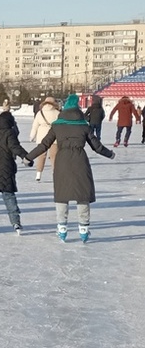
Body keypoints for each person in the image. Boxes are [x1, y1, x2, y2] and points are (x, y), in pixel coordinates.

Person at [26, 94, 115, 242]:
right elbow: (97, 146)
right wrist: (110, 154)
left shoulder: (57, 125)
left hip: (62, 162)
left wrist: (29, 157)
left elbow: (44, 144)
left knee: (62, 194)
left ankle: (62, 229)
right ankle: (84, 230)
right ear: (78, 108)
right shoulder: (83, 126)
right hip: (80, 161)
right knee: (82, 195)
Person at [28, 96, 60, 182]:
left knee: (41, 156)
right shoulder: (57, 113)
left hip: (42, 137)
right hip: (54, 137)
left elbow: (35, 126)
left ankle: (38, 174)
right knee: (54, 157)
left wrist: (32, 136)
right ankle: (55, 174)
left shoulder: (40, 113)